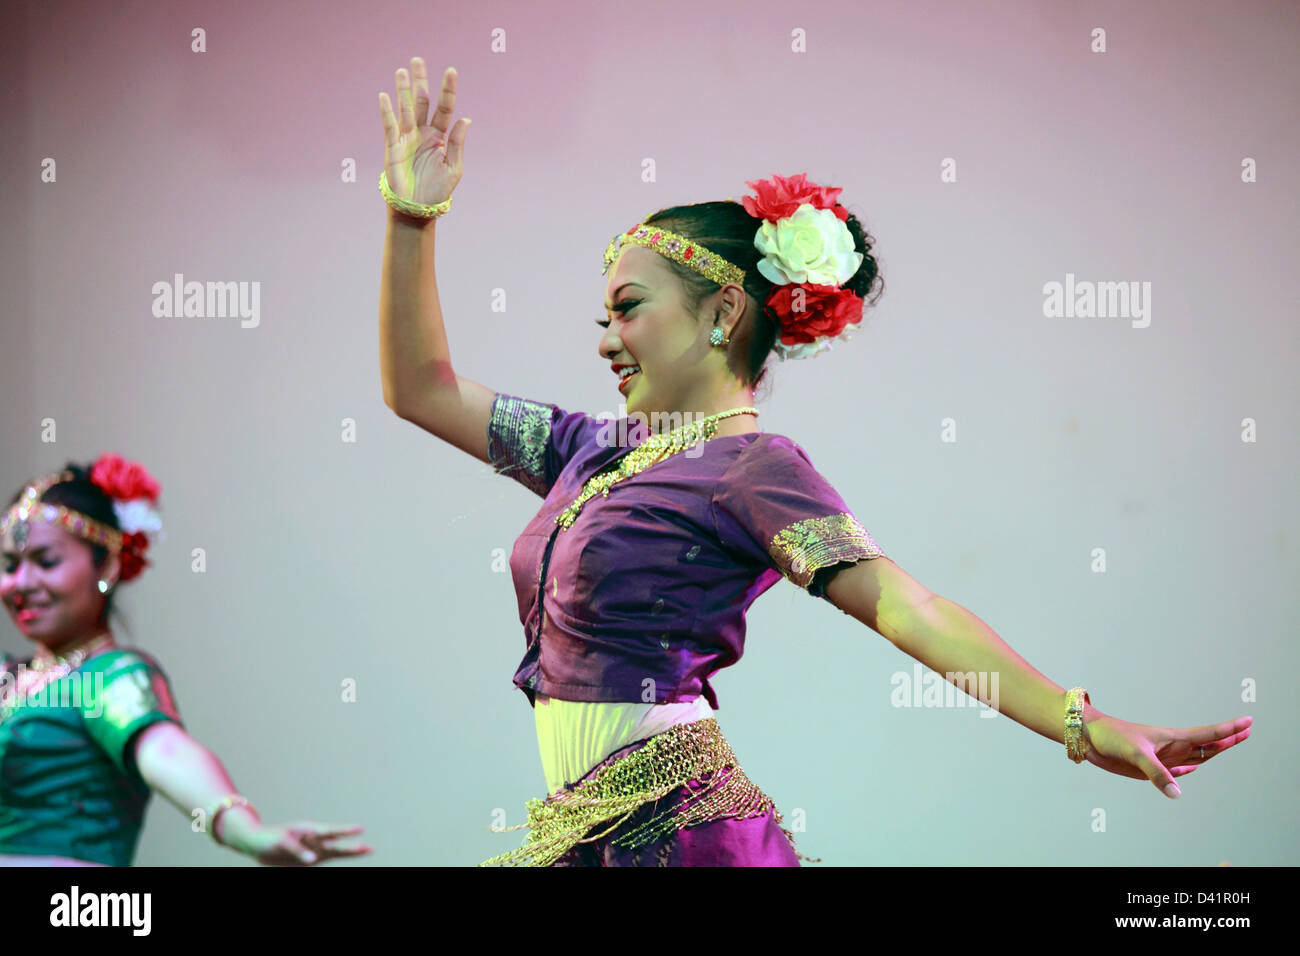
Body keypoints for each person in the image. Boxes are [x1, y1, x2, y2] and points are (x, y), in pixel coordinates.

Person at [376, 57, 1254, 867]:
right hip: (582, 827)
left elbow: (909, 607)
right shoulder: (587, 449)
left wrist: (1079, 721)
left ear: (722, 312)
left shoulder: (751, 469)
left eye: (628, 308)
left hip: (682, 829)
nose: (606, 339)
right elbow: (420, 388)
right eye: (603, 317)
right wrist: (412, 219)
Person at [0, 456, 372, 866]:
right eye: (10, 565)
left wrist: (245, 831)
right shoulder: (8, 678)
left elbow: (167, 752)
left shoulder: (107, 678)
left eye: (46, 562)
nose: (22, 584)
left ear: (106, 564)